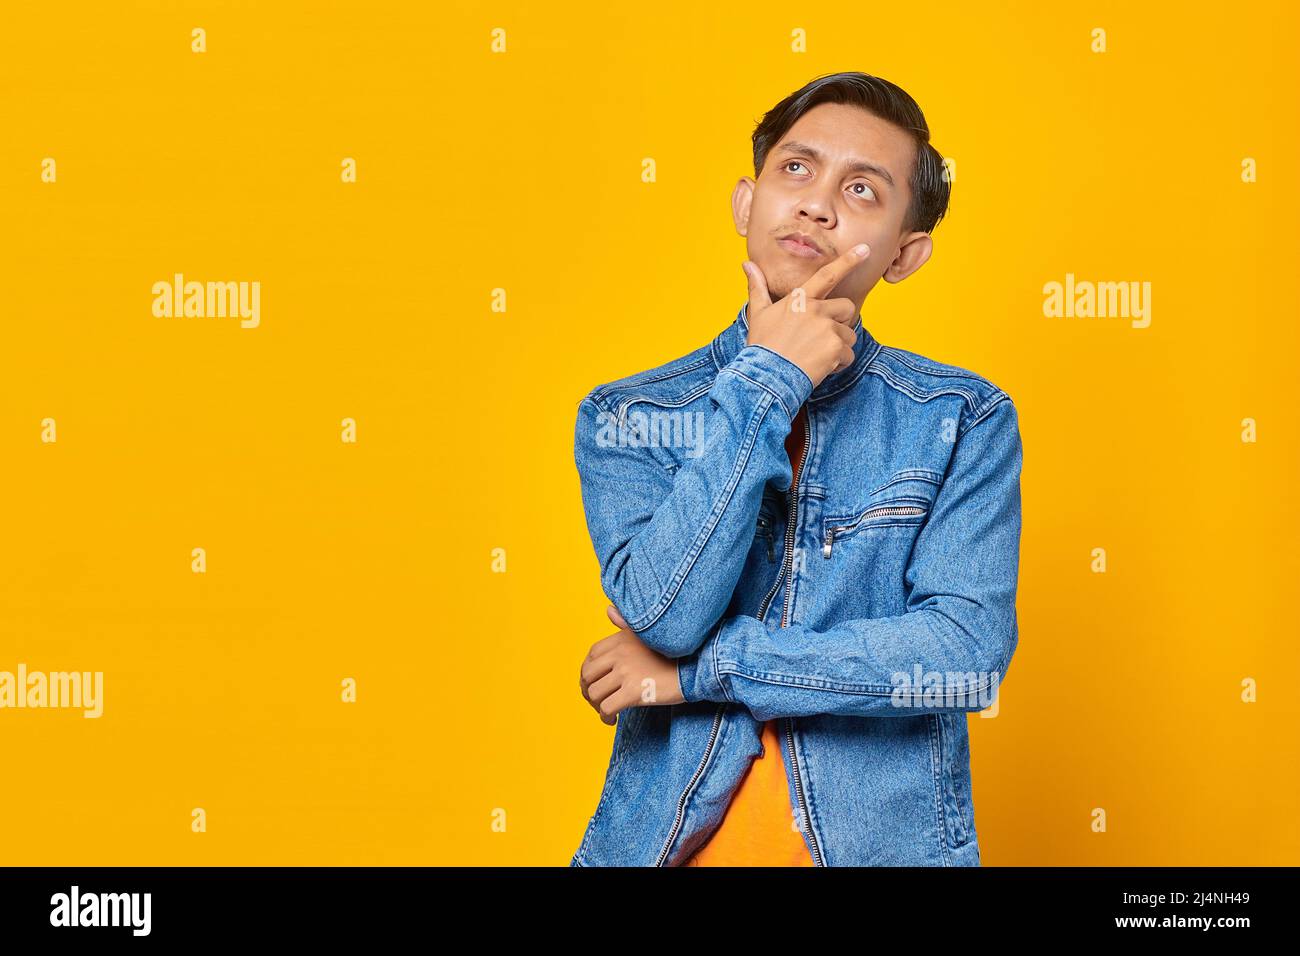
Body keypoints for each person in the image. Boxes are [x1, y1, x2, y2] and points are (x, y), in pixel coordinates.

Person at [573, 71, 1023, 866]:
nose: (818, 202)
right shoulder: (626, 416)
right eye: (796, 169)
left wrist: (700, 672)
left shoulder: (963, 417)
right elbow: (663, 616)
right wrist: (767, 381)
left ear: (904, 255)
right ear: (746, 203)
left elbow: (961, 661)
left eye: (861, 189)